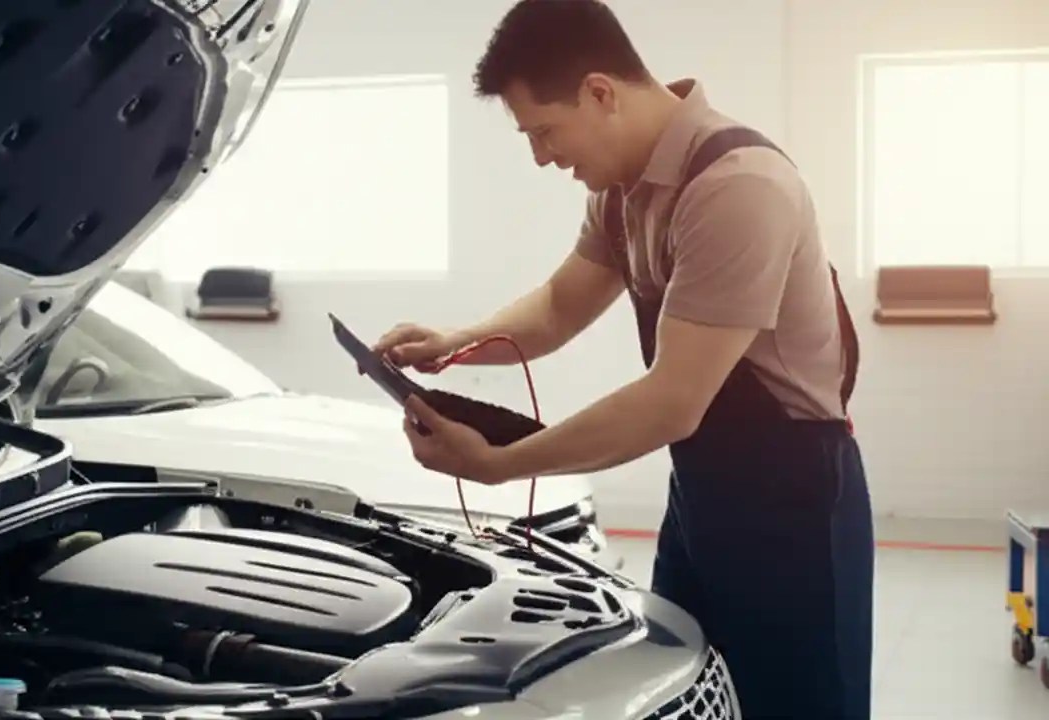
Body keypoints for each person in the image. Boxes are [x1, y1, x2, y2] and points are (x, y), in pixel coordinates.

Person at [371, 1, 874, 718]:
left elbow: (673, 400)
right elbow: (555, 309)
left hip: (794, 500)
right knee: (692, 692)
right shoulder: (621, 193)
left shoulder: (738, 187)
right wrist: (456, 342)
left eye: (544, 131)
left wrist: (502, 465)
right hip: (703, 491)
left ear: (601, 92)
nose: (542, 156)